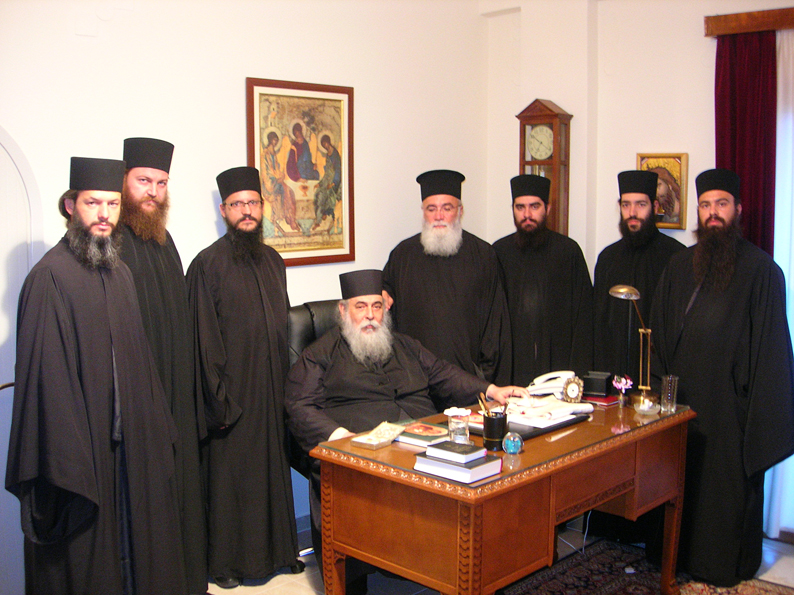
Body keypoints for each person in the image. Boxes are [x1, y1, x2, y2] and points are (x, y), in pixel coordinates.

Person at [5, 157, 188, 594]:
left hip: (129, 450)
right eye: (93, 203)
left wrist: (153, 434)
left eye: (112, 204)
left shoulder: (120, 274)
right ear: (71, 206)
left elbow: (140, 364)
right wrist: (72, 462)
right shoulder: (49, 277)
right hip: (82, 456)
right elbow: (46, 385)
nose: (104, 214)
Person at [285, 269, 529, 595]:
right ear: (343, 311)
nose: (370, 316)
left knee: (486, 475)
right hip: (365, 453)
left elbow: (443, 374)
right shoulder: (320, 354)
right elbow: (298, 405)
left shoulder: (405, 345)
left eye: (376, 306)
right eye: (360, 307)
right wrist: (339, 436)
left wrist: (491, 389)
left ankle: (470, 563)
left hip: (428, 439)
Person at [651, 168, 794, 587]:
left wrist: (753, 415)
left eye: (721, 204)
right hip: (683, 406)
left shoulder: (763, 272)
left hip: (732, 412)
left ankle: (726, 565)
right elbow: (659, 336)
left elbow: (771, 352)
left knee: (724, 497)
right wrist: (661, 396)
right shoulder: (679, 266)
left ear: (738, 209)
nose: (713, 213)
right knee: (681, 486)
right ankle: (674, 559)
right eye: (706, 205)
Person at [186, 166, 300, 588]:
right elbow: (202, 340)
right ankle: (228, 566)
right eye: (237, 205)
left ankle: (280, 554)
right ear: (224, 211)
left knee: (272, 475)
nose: (246, 211)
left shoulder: (273, 261)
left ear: (263, 207)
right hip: (230, 397)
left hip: (271, 389)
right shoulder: (206, 265)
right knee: (232, 484)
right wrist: (217, 402)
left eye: (253, 203)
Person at [118, 137, 208, 595]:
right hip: (138, 395)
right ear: (124, 181)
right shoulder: (110, 242)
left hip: (175, 390)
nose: (153, 191)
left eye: (161, 182)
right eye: (144, 180)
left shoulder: (164, 240)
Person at [382, 169, 512, 393]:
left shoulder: (483, 255)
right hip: (415, 385)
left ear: (460, 211)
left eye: (447, 208)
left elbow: (495, 326)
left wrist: (486, 380)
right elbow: (385, 299)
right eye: (431, 209)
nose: (439, 216)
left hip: (467, 382)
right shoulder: (402, 255)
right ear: (423, 212)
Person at [493, 174, 593, 386]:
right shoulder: (499, 252)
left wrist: (578, 376)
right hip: (512, 370)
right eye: (520, 207)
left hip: (559, 368)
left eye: (534, 206)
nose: (527, 215)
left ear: (547, 208)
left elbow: (584, 318)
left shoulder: (568, 252)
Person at [593, 170, 684, 382]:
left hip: (657, 373)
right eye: (626, 205)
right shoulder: (607, 258)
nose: (632, 212)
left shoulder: (676, 257)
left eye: (640, 205)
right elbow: (599, 323)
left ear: (655, 206)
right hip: (614, 370)